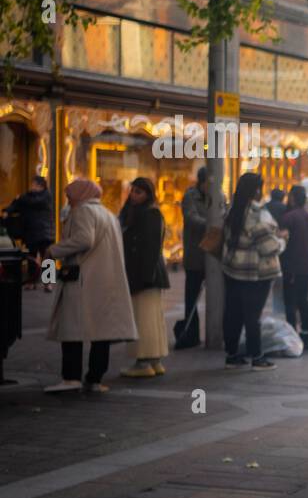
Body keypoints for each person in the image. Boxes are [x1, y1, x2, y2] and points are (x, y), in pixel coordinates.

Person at [44, 179, 137, 393]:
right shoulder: (107, 214)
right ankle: (95, 379)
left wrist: (54, 250)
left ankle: (71, 377)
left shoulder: (82, 211)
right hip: (105, 281)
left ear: (81, 194)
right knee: (101, 332)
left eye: (70, 195)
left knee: (71, 330)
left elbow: (84, 239)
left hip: (82, 280)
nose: (68, 199)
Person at [221, 172, 283, 370]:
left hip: (233, 269)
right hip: (255, 273)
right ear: (257, 190)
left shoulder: (233, 210)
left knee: (233, 313)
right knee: (252, 316)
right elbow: (269, 247)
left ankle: (232, 355)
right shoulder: (257, 214)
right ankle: (257, 357)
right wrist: (282, 240)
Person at [118, 177, 170, 378]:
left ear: (148, 194)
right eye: (133, 191)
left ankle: (143, 362)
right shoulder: (146, 213)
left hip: (144, 275)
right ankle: (154, 360)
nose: (133, 195)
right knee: (151, 318)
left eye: (139, 192)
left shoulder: (149, 214)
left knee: (143, 319)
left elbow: (150, 248)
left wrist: (144, 276)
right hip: (148, 275)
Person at [280, 184, 308, 349]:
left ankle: (292, 339)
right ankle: (306, 336)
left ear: (292, 198)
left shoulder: (288, 218)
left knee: (290, 303)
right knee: (303, 301)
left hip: (292, 268)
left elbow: (280, 243)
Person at [180, 167, 219, 337]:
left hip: (212, 255)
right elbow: (190, 217)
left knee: (217, 296)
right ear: (201, 182)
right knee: (191, 298)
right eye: (207, 184)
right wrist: (211, 224)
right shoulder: (190, 196)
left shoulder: (218, 196)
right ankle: (191, 334)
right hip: (195, 256)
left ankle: (216, 332)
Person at [4, 175, 55, 291]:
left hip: (44, 232)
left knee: (47, 257)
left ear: (40, 186)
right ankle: (32, 281)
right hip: (30, 232)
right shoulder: (27, 197)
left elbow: (33, 202)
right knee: (32, 257)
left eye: (34, 184)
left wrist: (19, 198)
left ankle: (48, 283)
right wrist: (7, 211)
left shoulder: (45, 196)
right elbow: (16, 205)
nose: (32, 187)